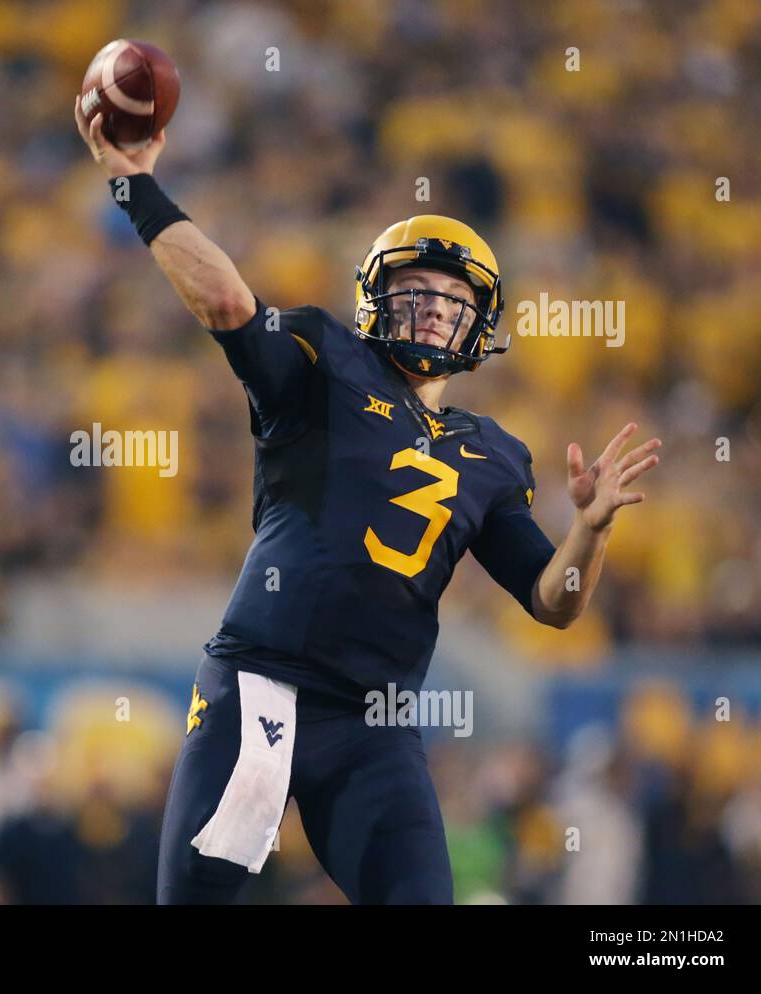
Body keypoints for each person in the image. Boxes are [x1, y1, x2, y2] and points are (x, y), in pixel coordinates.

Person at [73, 102, 662, 904]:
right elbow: (226, 305)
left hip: (374, 723)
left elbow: (553, 603)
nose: (427, 307)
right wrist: (135, 184)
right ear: (373, 301)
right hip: (260, 685)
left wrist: (588, 533)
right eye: (410, 290)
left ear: (478, 324)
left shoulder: (494, 453)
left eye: (448, 297)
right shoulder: (323, 361)